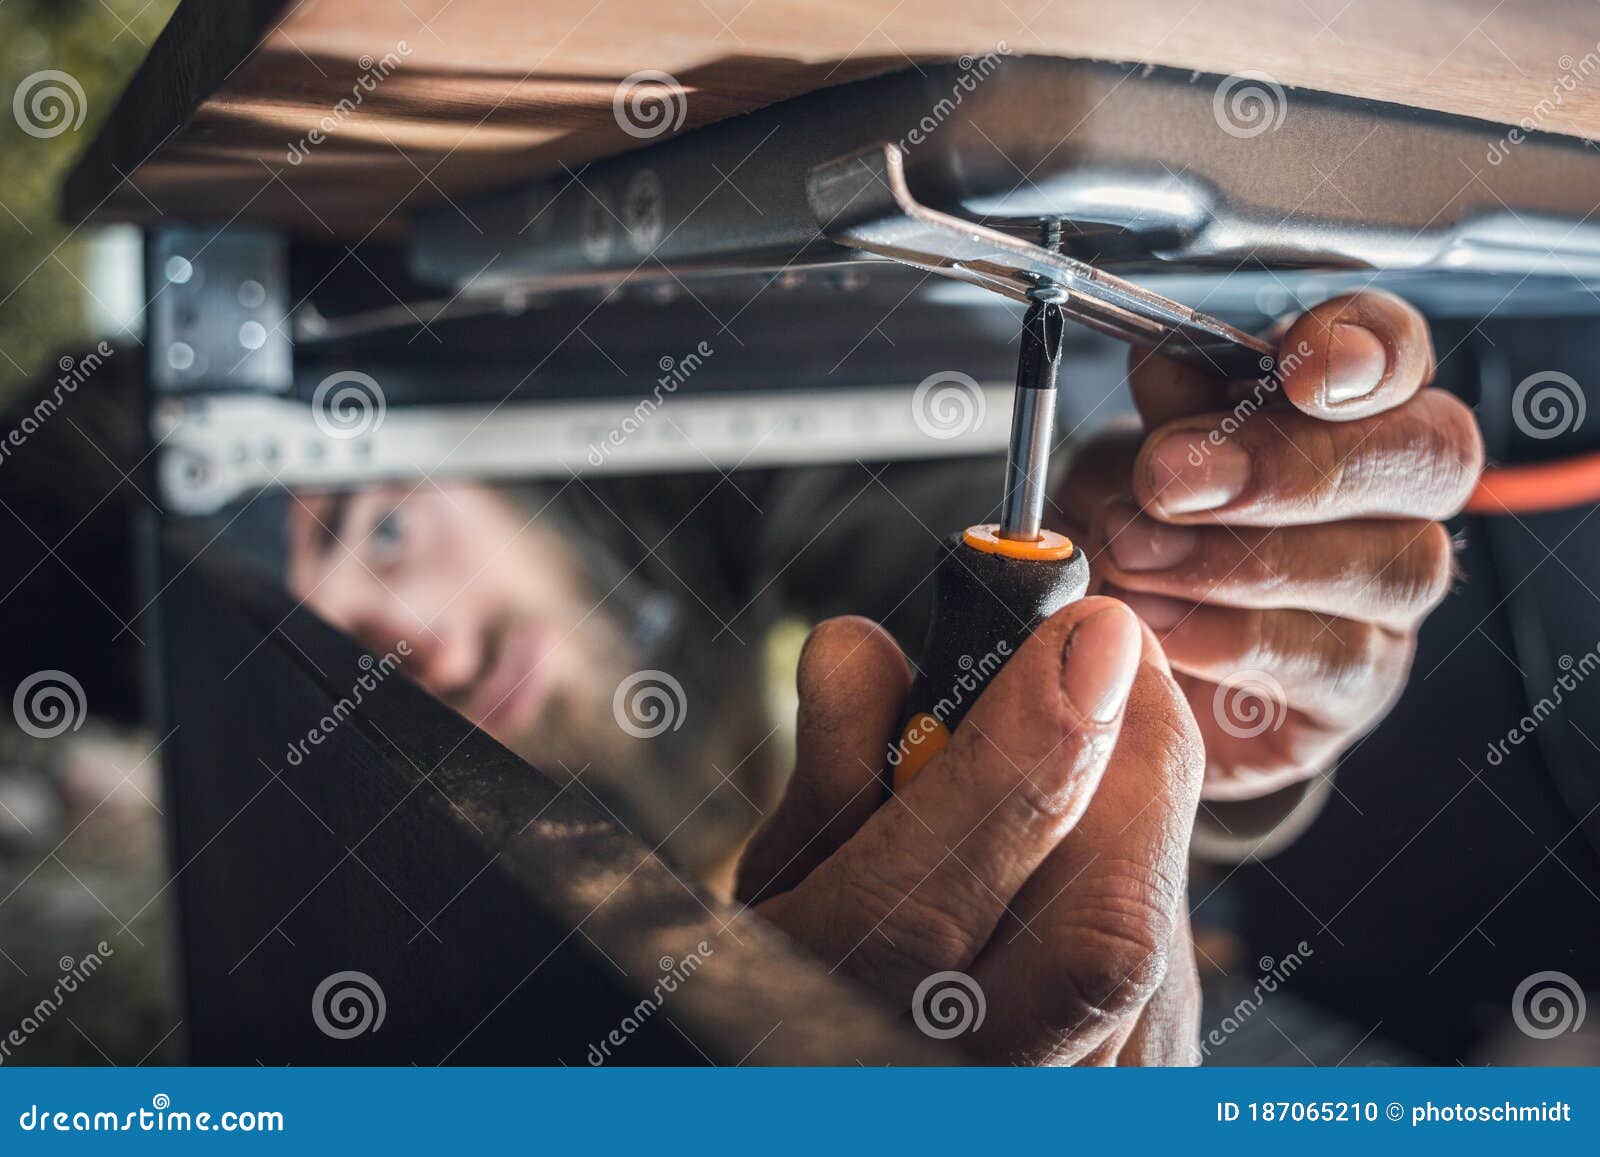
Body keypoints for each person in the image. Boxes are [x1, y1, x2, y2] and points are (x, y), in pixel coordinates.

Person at [287, 291, 1482, 1063]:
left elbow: (929, 535)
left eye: (379, 529)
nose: (417, 654)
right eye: (331, 656)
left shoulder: (659, 402)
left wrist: (1195, 662)